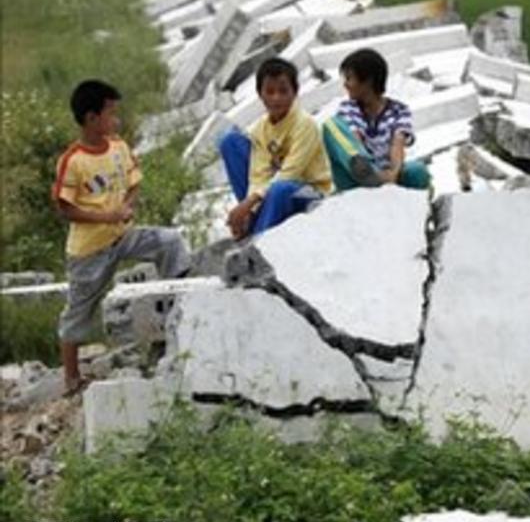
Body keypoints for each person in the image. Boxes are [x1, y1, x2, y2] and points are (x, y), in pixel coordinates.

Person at [52, 80, 190, 395]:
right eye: (111, 113)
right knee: (79, 310)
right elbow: (65, 208)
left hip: (123, 235)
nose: (116, 120)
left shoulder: (118, 147)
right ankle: (71, 379)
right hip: (89, 250)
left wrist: (127, 205)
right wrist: (105, 217)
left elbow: (133, 180)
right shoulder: (73, 160)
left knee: (169, 242)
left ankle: (176, 310)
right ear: (91, 118)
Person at [217, 58, 332, 239]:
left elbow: (290, 173)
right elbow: (258, 174)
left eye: (283, 91)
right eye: (269, 92)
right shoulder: (261, 128)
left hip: (306, 192)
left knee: (281, 188)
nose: (276, 98)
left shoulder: (305, 124)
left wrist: (250, 202)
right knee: (230, 141)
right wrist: (249, 209)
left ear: (295, 92)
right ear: (260, 94)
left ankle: (258, 241)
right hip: (271, 193)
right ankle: (253, 219)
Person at [321, 48, 430, 191]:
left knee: (418, 170)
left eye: (349, 78)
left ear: (367, 81)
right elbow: (355, 139)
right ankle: (369, 175)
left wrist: (392, 175)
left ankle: (377, 180)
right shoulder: (347, 108)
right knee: (331, 125)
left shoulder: (399, 111)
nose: (345, 85)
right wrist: (370, 172)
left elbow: (397, 144)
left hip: (386, 174)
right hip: (356, 179)